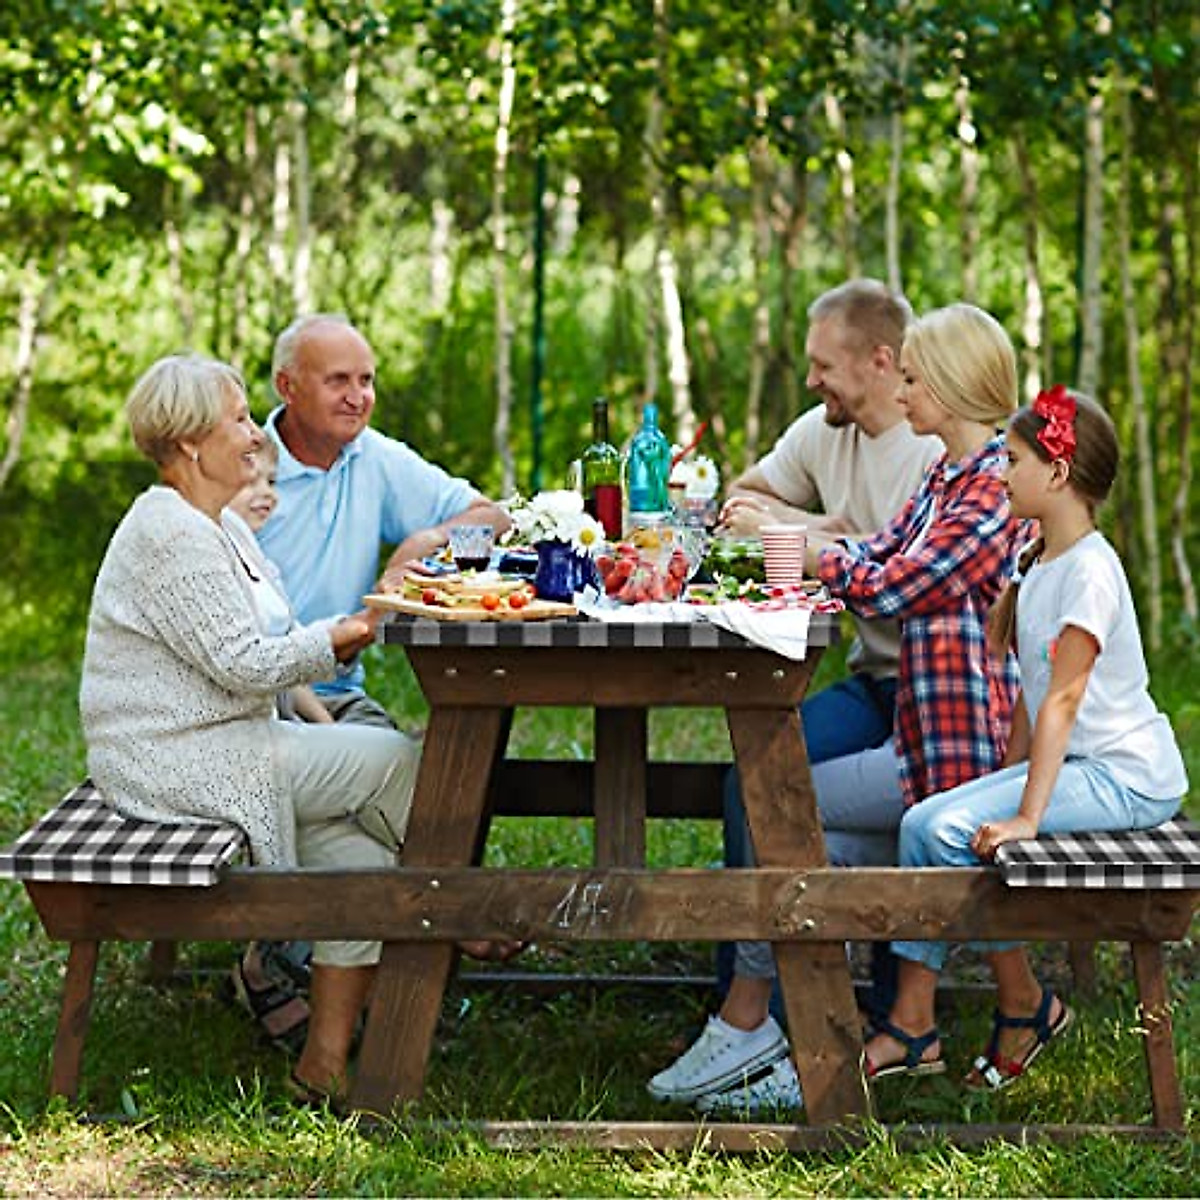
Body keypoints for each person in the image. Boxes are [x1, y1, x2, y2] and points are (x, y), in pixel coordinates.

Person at [650, 303, 1024, 1116]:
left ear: (950, 387)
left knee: (777, 808)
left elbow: (897, 585)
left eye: (915, 380)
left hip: (957, 763)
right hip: (919, 745)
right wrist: (804, 543)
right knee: (781, 820)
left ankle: (765, 1025)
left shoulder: (992, 489)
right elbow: (877, 551)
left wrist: (802, 546)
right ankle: (782, 1025)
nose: (906, 394)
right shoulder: (946, 476)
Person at [80, 354, 421, 1106]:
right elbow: (242, 663)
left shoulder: (219, 525)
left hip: (228, 745)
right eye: (237, 420)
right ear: (189, 442)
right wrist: (346, 634)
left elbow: (259, 649)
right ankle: (465, 910)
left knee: (362, 859)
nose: (255, 434)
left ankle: (322, 1066)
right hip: (177, 763)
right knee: (400, 761)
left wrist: (340, 638)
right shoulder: (170, 534)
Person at [864, 388, 1187, 1086]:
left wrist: (1025, 817)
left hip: (1126, 778)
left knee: (948, 830)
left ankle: (1021, 1004)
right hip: (1078, 768)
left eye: (1012, 461)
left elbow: (1064, 701)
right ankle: (917, 1025)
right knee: (923, 822)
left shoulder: (1091, 571)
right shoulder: (1038, 563)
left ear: (1058, 473)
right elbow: (1029, 699)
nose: (1000, 474)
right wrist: (999, 783)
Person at [714, 279, 942, 1025]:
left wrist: (808, 541)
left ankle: (858, 1011)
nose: (811, 381)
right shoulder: (823, 430)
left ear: (881, 360)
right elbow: (741, 499)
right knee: (752, 776)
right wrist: (816, 526)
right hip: (875, 680)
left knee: (788, 792)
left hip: (936, 699)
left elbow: (900, 579)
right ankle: (755, 1004)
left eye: (823, 365)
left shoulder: (934, 449)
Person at [257, 313, 511, 728]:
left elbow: (494, 516)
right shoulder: (244, 467)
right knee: (402, 759)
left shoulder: (375, 456)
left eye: (366, 380)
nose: (357, 398)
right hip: (255, 696)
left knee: (425, 762)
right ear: (287, 387)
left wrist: (426, 540)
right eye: (338, 381)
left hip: (338, 693)